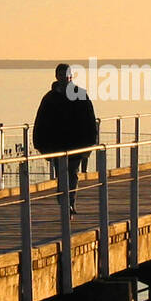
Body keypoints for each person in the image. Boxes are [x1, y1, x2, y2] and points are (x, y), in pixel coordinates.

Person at [33, 63, 98, 215]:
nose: (65, 78)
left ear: (72, 76)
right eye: (62, 75)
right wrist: (40, 145)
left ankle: (70, 201)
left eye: (68, 75)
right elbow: (41, 121)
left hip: (77, 143)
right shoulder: (49, 98)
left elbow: (90, 119)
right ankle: (64, 203)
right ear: (57, 76)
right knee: (62, 174)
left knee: (73, 173)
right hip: (56, 145)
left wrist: (90, 143)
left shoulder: (80, 94)